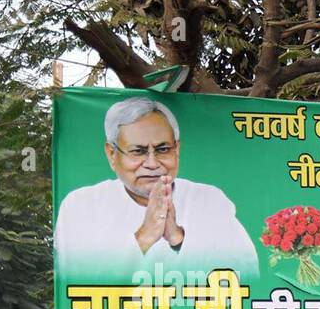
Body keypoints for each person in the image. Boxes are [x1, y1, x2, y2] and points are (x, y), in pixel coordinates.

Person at [55, 96, 259, 281]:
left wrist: (178, 239)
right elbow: (75, 284)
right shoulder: (80, 206)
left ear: (177, 150)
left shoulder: (210, 201)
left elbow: (248, 276)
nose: (152, 163)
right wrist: (145, 236)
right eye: (138, 151)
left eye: (162, 149)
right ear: (111, 154)